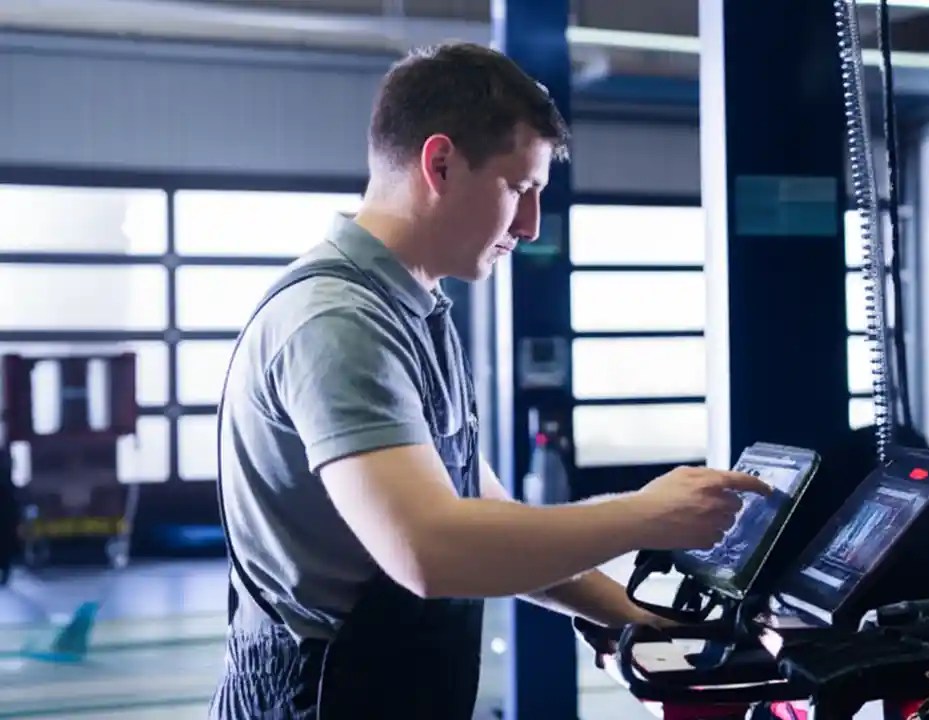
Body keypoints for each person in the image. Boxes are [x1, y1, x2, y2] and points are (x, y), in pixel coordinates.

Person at [208, 41, 770, 720]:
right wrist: (650, 514)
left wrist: (627, 616)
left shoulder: (416, 313)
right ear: (439, 163)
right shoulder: (336, 323)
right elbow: (430, 550)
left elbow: (486, 517)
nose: (531, 226)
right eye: (520, 189)